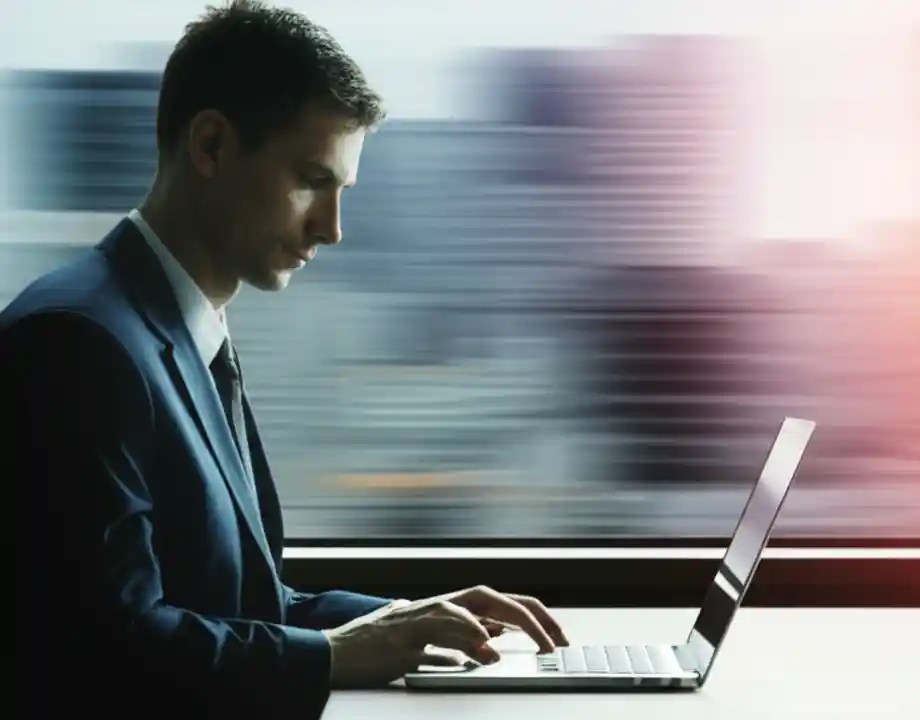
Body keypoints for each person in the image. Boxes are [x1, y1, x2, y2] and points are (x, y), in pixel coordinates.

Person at [0, 2, 569, 717]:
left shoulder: (178, 332)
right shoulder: (78, 345)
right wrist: (333, 655)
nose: (332, 229)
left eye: (341, 191)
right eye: (310, 180)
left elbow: (241, 604)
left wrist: (409, 618)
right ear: (211, 146)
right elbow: (113, 644)